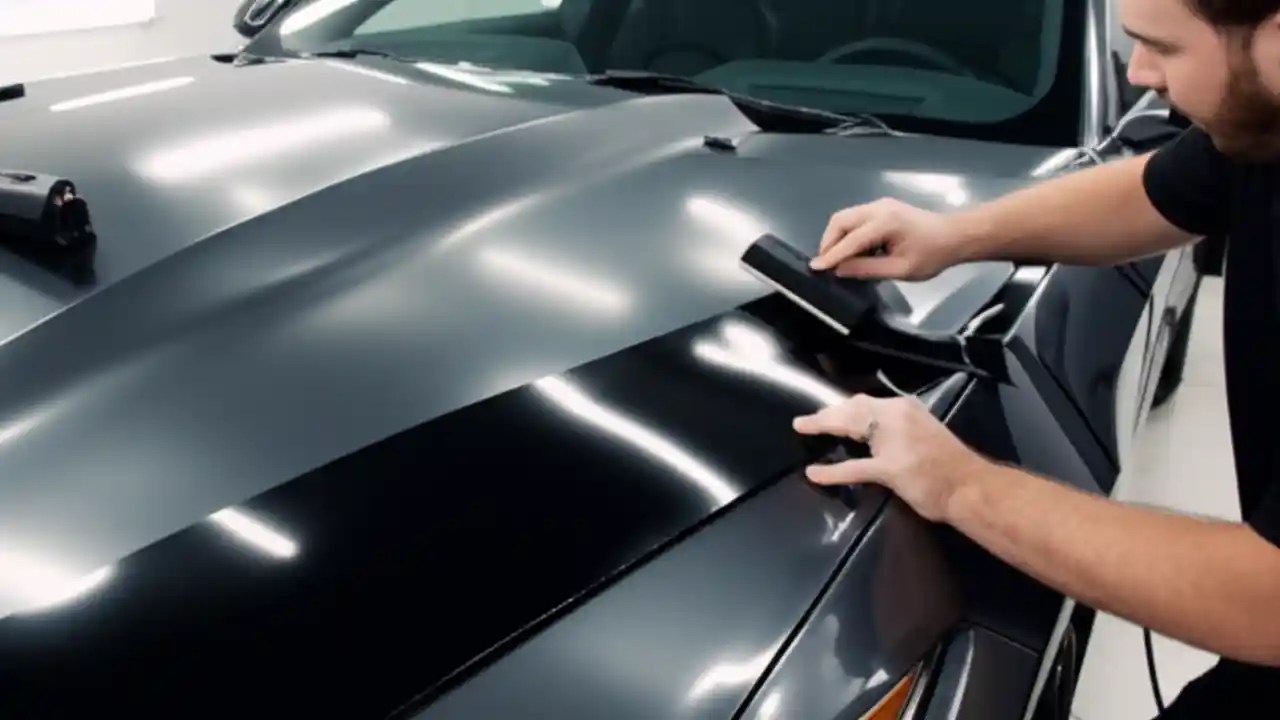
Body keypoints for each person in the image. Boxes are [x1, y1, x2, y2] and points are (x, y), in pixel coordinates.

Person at [791, 0, 1280, 716]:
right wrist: (953, 237)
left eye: (1164, 48)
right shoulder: (1261, 123)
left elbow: (1268, 601)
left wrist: (961, 485)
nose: (1140, 73)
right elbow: (1165, 189)